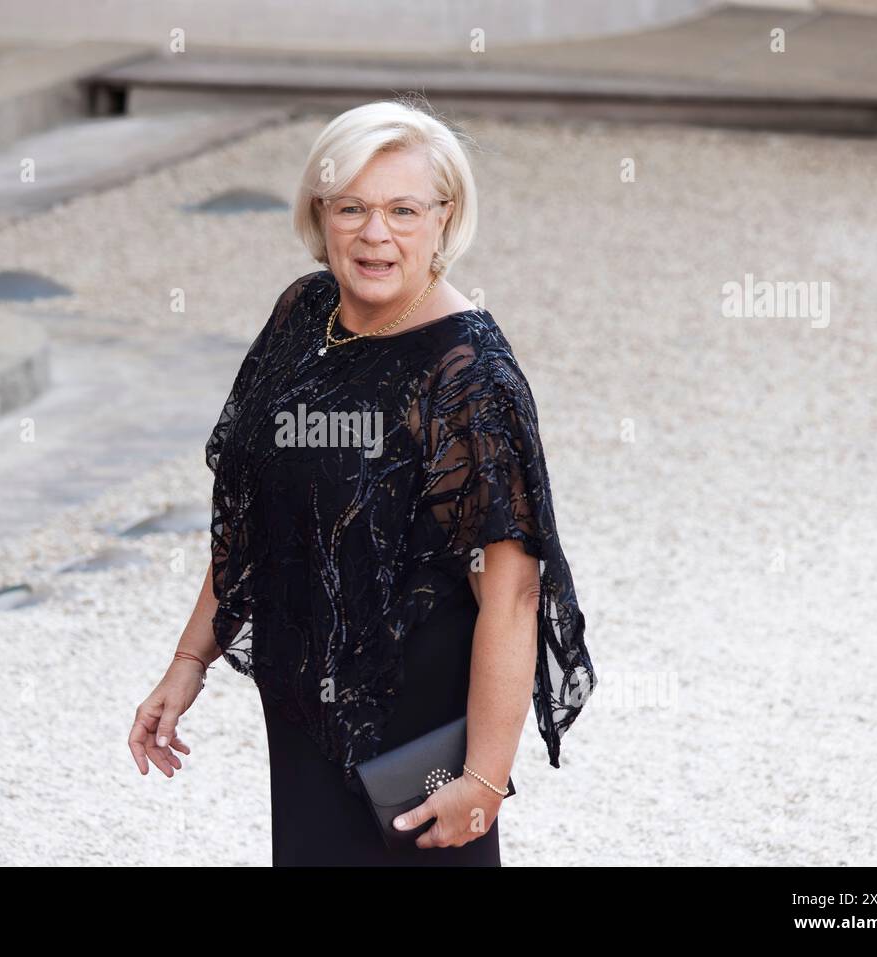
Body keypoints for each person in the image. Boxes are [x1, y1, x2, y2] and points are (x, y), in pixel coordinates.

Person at [129, 97, 596, 866]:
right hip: (304, 708)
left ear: (445, 218)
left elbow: (509, 592)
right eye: (352, 207)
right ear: (321, 212)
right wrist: (188, 663)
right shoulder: (304, 312)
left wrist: (484, 775)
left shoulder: (467, 374)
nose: (376, 234)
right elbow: (254, 514)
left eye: (404, 209)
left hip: (413, 734)